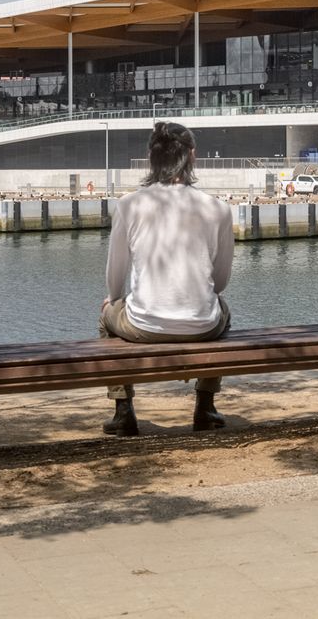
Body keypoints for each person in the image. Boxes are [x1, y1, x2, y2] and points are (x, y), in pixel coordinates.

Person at [99, 121, 235, 437]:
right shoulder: (218, 208)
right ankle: (205, 406)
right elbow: (221, 281)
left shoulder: (130, 204)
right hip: (203, 325)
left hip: (143, 325)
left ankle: (123, 410)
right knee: (223, 312)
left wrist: (113, 297)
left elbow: (115, 273)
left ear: (152, 158)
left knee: (106, 319)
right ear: (192, 156)